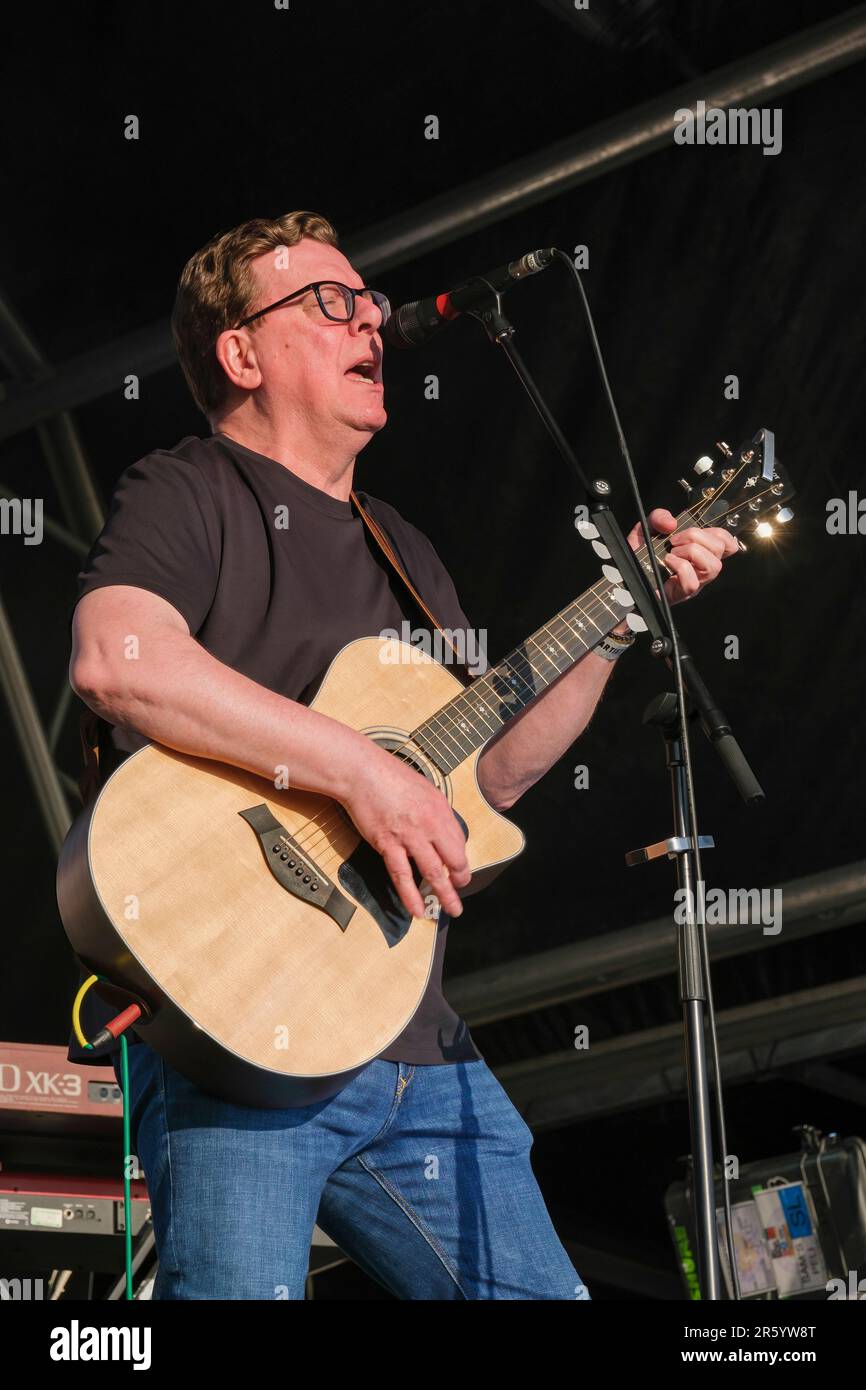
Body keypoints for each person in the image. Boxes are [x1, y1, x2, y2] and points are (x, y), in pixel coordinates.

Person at [67, 210, 737, 1299]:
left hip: (411, 1046)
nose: (369, 319)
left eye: (368, 301)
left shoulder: (404, 547)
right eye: (328, 302)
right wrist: (357, 768)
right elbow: (116, 659)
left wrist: (622, 611)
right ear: (240, 352)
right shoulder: (184, 492)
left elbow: (489, 778)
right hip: (239, 1032)